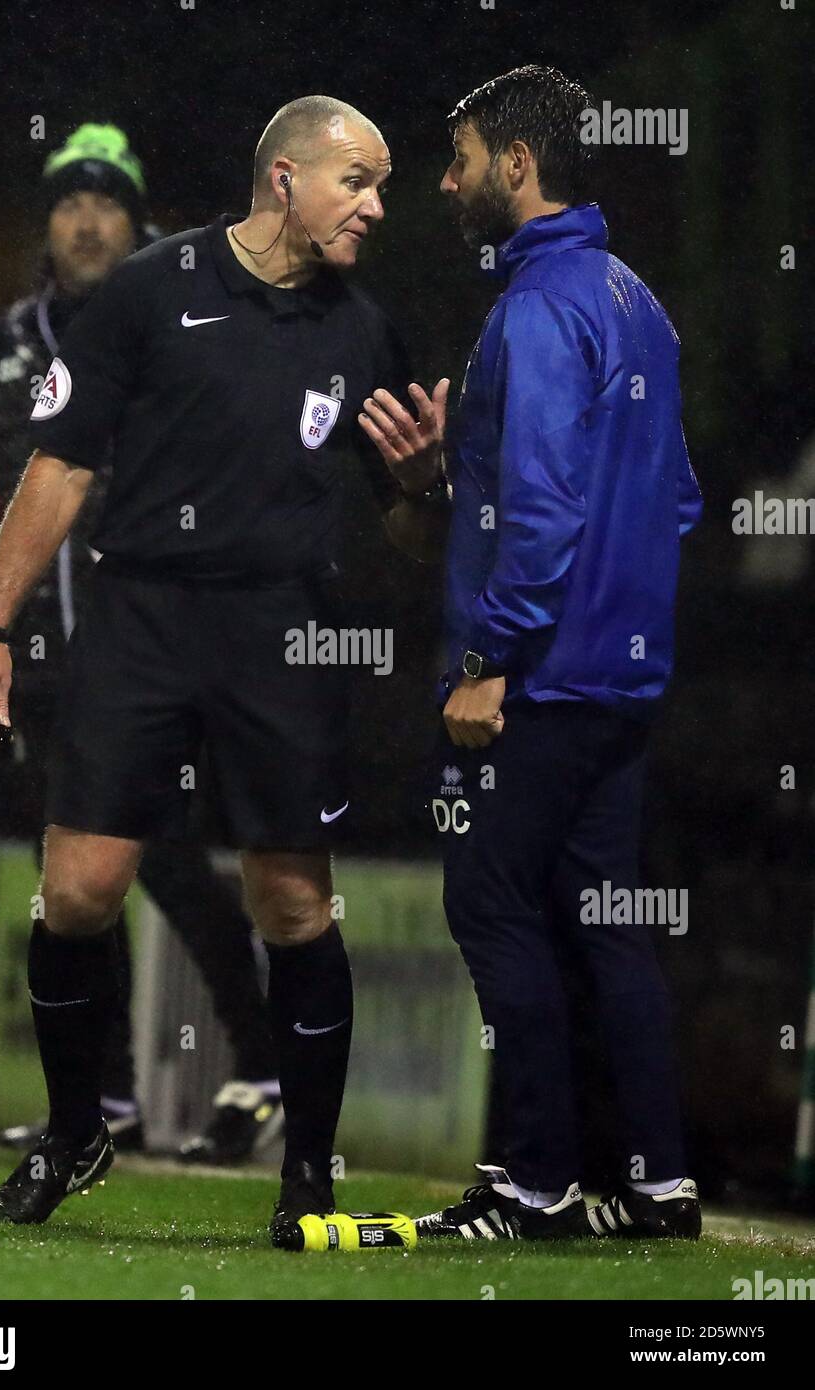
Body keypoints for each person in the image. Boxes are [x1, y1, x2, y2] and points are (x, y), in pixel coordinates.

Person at [0, 96, 447, 1243]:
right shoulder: (150, 290)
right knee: (76, 891)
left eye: (379, 186)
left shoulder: (366, 329)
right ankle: (79, 1130)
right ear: (284, 179)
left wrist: (425, 485)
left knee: (291, 903)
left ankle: (306, 1176)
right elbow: (61, 465)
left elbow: (412, 536)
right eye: (357, 183)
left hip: (282, 632)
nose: (376, 207)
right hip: (140, 618)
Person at [0, 122, 283, 1162]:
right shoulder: (8, 345)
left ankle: (263, 1062)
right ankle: (109, 1099)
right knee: (84, 882)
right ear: (46, 227)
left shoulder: (178, 330)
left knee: (167, 862)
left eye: (106, 200)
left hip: (149, 654)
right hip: (40, 669)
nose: (87, 218)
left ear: (138, 221)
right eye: (67, 201)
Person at [359, 66, 703, 1241]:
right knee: (604, 920)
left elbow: (548, 513)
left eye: (458, 157)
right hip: (622, 680)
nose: (446, 180)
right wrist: (467, 481)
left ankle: (532, 1185)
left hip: (543, 679)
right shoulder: (636, 301)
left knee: (492, 899)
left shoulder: (541, 306)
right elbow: (680, 500)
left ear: (517, 162)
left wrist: (490, 657)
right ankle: (658, 1183)